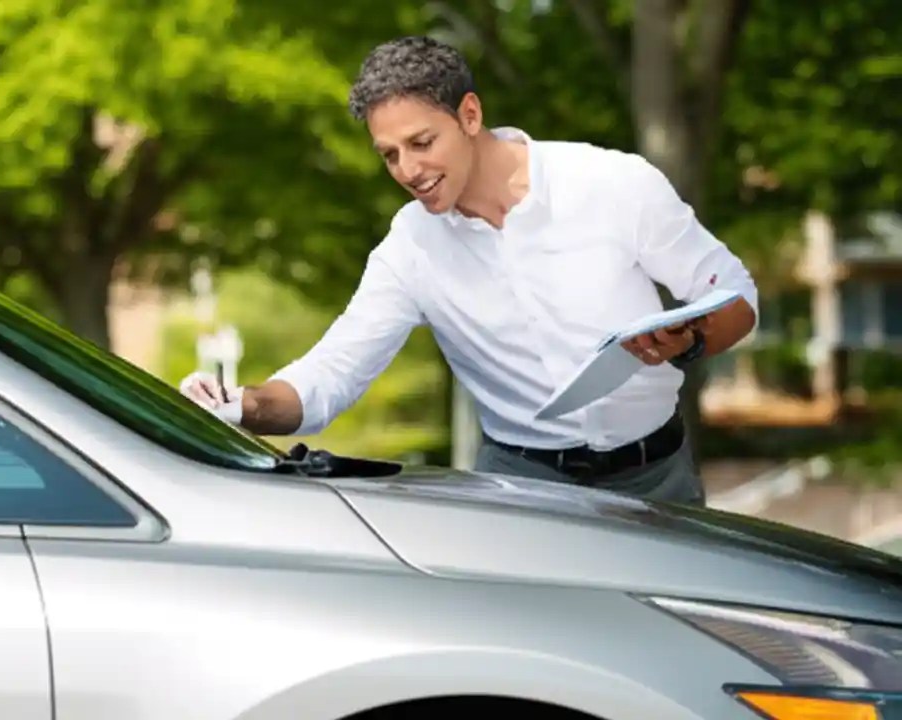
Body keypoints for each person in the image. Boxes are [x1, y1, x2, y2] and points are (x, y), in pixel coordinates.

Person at [179, 36, 757, 505]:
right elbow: (331, 374)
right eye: (389, 154)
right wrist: (242, 406)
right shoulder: (410, 248)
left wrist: (689, 343)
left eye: (422, 142)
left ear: (471, 115)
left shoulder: (613, 184)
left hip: (659, 480)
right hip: (523, 493)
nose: (408, 169)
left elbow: (734, 295)